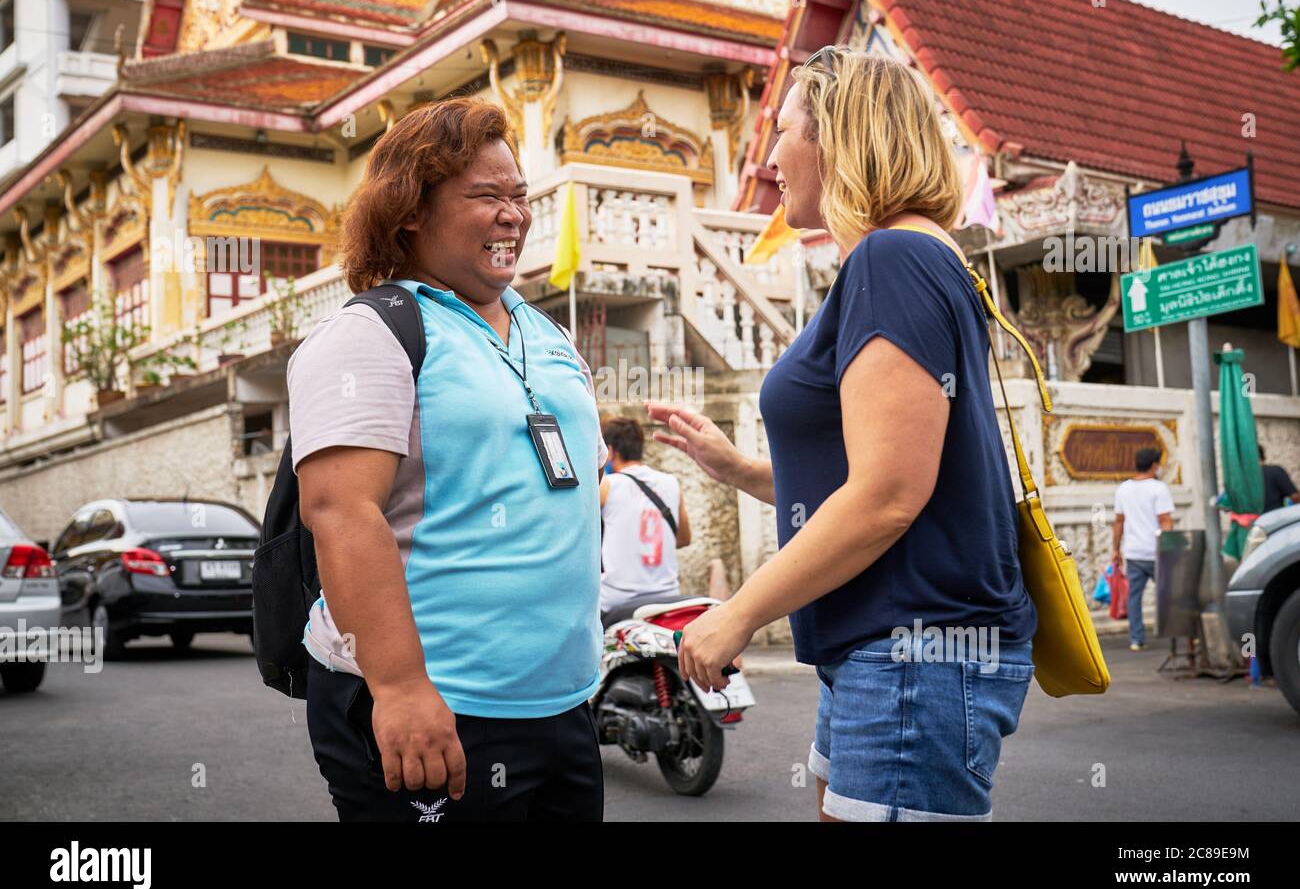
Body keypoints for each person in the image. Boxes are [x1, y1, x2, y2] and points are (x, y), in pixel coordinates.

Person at [648, 47, 1036, 822]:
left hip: (912, 651)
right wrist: (742, 470)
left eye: (785, 130)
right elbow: (875, 471)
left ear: (839, 138)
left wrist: (736, 614)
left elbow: (889, 495)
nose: (770, 159)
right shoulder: (910, 257)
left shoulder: (893, 258)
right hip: (882, 648)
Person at [289, 97, 607, 822]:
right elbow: (340, 510)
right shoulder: (373, 333)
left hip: (564, 706)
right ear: (409, 212)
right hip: (434, 707)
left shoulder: (546, 332)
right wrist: (400, 688)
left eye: (520, 196)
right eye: (486, 196)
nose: (514, 215)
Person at [598, 416, 692, 624]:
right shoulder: (671, 483)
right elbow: (683, 539)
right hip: (668, 597)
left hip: (616, 602)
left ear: (610, 451)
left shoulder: (607, 486)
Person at [1112, 447, 1175, 652]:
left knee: (1134, 597)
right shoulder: (1159, 489)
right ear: (1154, 465)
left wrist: (1116, 549)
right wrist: (1170, 548)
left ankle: (1137, 639)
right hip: (1156, 552)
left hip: (1134, 552)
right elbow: (1165, 522)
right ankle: (1175, 635)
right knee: (1169, 594)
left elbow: (1119, 522)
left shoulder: (1123, 489)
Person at [1259, 445, 1299, 512]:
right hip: (1277, 518)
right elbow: (1295, 497)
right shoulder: (1275, 471)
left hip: (1252, 521)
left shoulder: (1241, 479)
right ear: (1263, 457)